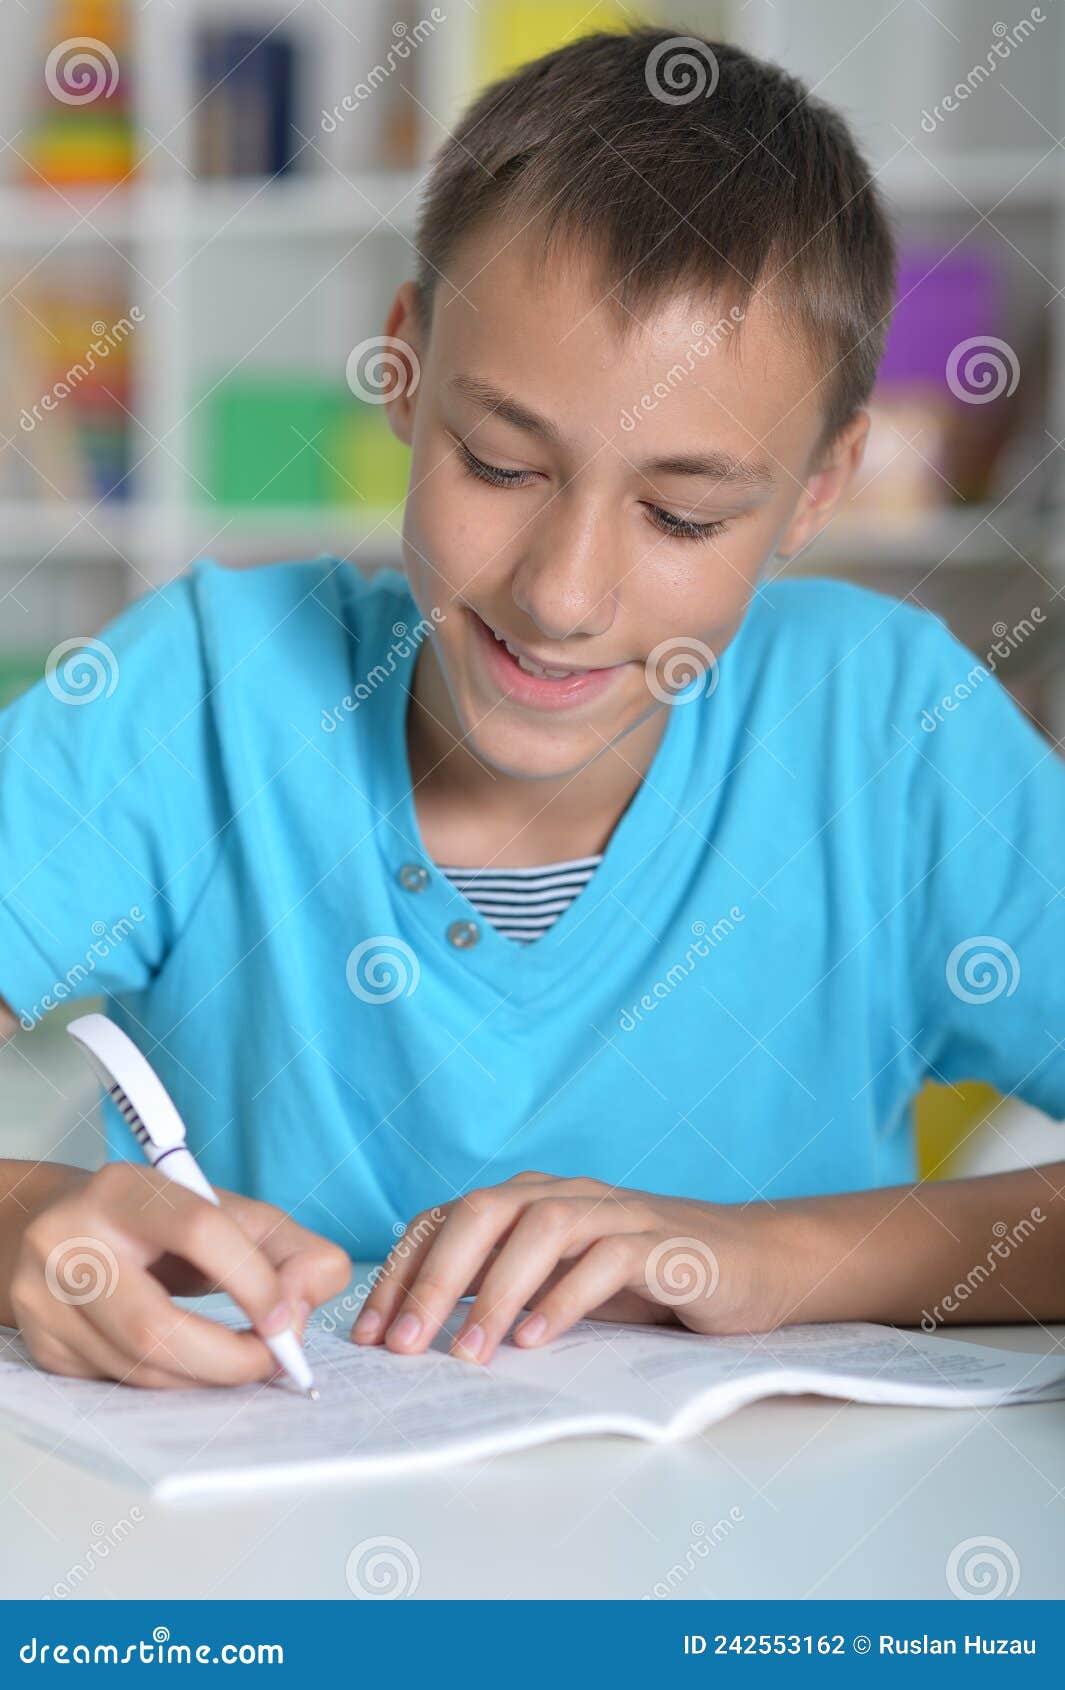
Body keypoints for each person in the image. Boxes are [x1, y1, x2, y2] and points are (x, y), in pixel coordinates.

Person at [1, 28, 1062, 1388]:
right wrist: (36, 1226)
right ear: (403, 368)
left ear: (813, 488)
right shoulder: (200, 698)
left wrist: (764, 1256)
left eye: (683, 511)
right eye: (499, 463)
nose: (563, 594)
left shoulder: (887, 727)